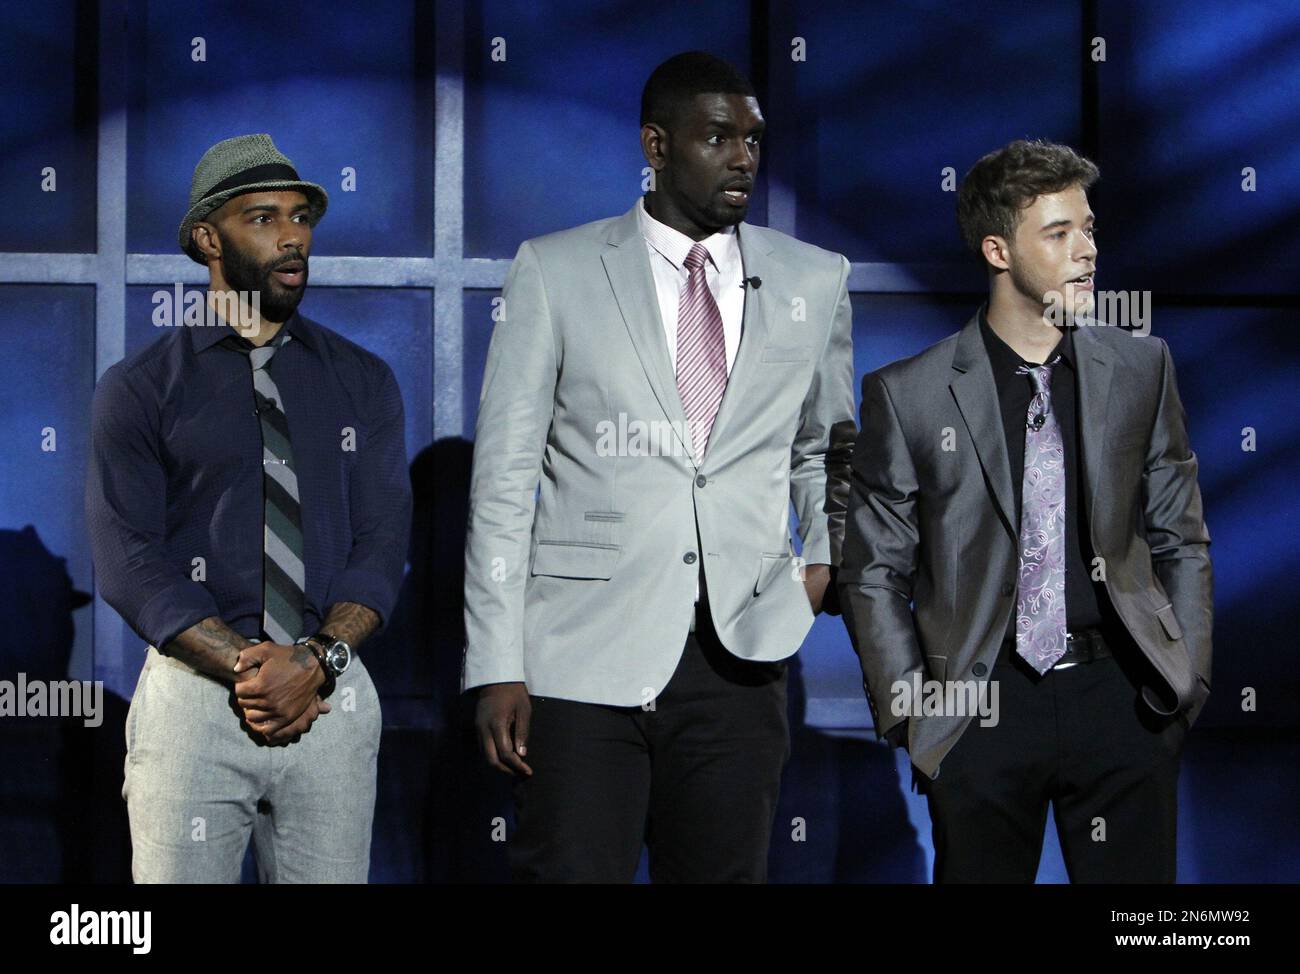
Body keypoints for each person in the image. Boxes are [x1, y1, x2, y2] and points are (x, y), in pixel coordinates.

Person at [462, 51, 856, 882]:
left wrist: (821, 564)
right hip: (579, 660)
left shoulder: (814, 280)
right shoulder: (556, 269)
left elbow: (825, 448)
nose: (743, 158)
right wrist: (496, 664)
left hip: (742, 655)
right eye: (717, 137)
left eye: (753, 139)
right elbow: (503, 479)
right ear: (656, 145)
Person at [839, 139, 1212, 883]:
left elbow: (1181, 537)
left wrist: (1184, 685)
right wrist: (915, 716)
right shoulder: (909, 394)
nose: (1087, 251)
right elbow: (873, 571)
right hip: (981, 706)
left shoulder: (1142, 367)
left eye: (1089, 229)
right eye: (1059, 232)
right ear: (998, 251)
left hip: (1125, 697)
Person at [86, 133, 411, 883]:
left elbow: (382, 540)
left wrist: (316, 663)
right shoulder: (140, 389)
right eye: (263, 218)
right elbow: (128, 559)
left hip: (331, 697)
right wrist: (254, 670)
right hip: (196, 703)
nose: (293, 237)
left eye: (301, 217)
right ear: (208, 239)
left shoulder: (363, 380)